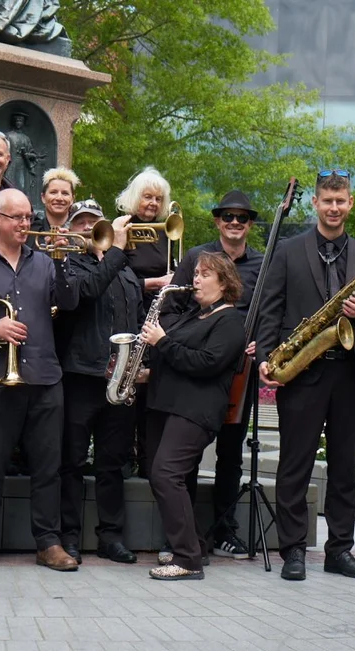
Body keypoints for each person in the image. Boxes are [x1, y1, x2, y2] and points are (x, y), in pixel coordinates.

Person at [257, 169, 355, 581]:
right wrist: (265, 356)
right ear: (315, 204)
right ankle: (293, 549)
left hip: (351, 375)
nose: (334, 207)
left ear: (350, 204)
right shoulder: (287, 251)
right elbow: (269, 309)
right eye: (327, 201)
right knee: (294, 466)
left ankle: (340, 550)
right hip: (303, 373)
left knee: (344, 468)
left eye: (341, 200)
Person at [0, 188, 78, 572]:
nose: (26, 223)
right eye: (17, 217)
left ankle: (48, 543)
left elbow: (70, 303)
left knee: (47, 466)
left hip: (44, 377)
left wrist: (63, 261)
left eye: (28, 217)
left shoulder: (44, 262)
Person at [159, 190, 263, 560]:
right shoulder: (197, 259)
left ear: (250, 224)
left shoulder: (263, 265)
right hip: (195, 366)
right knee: (180, 459)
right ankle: (179, 535)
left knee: (231, 453)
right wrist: (184, 339)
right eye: (228, 217)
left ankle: (225, 530)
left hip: (237, 370)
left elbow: (270, 316)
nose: (235, 223)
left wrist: (257, 345)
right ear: (218, 221)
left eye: (243, 218)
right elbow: (172, 309)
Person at [141, 252, 245, 580]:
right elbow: (174, 357)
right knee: (161, 474)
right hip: (167, 405)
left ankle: (188, 559)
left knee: (166, 474)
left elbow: (206, 363)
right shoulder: (195, 315)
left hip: (194, 410)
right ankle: (195, 544)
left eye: (204, 275)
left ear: (224, 283)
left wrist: (163, 342)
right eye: (196, 273)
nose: (195, 279)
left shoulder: (229, 320)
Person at [56, 200, 142, 564]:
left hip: (119, 378)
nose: (89, 227)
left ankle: (110, 537)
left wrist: (141, 364)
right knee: (72, 462)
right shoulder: (68, 265)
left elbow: (137, 319)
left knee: (112, 463)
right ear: (73, 230)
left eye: (95, 222)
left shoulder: (125, 271)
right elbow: (86, 293)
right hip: (81, 376)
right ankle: (68, 537)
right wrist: (116, 251)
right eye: (82, 223)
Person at [113, 167, 175, 479]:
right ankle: (124, 466)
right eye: (147, 196)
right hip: (129, 318)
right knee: (128, 396)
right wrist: (156, 282)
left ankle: (150, 469)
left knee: (152, 400)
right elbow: (113, 278)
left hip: (158, 322)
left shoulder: (167, 231)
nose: (152, 203)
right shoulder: (121, 227)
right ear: (135, 198)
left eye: (158, 198)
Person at [28, 167, 77, 250]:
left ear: (72, 199)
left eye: (65, 193)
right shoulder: (30, 231)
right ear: (43, 197)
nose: (59, 198)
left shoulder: (79, 231)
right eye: (53, 192)